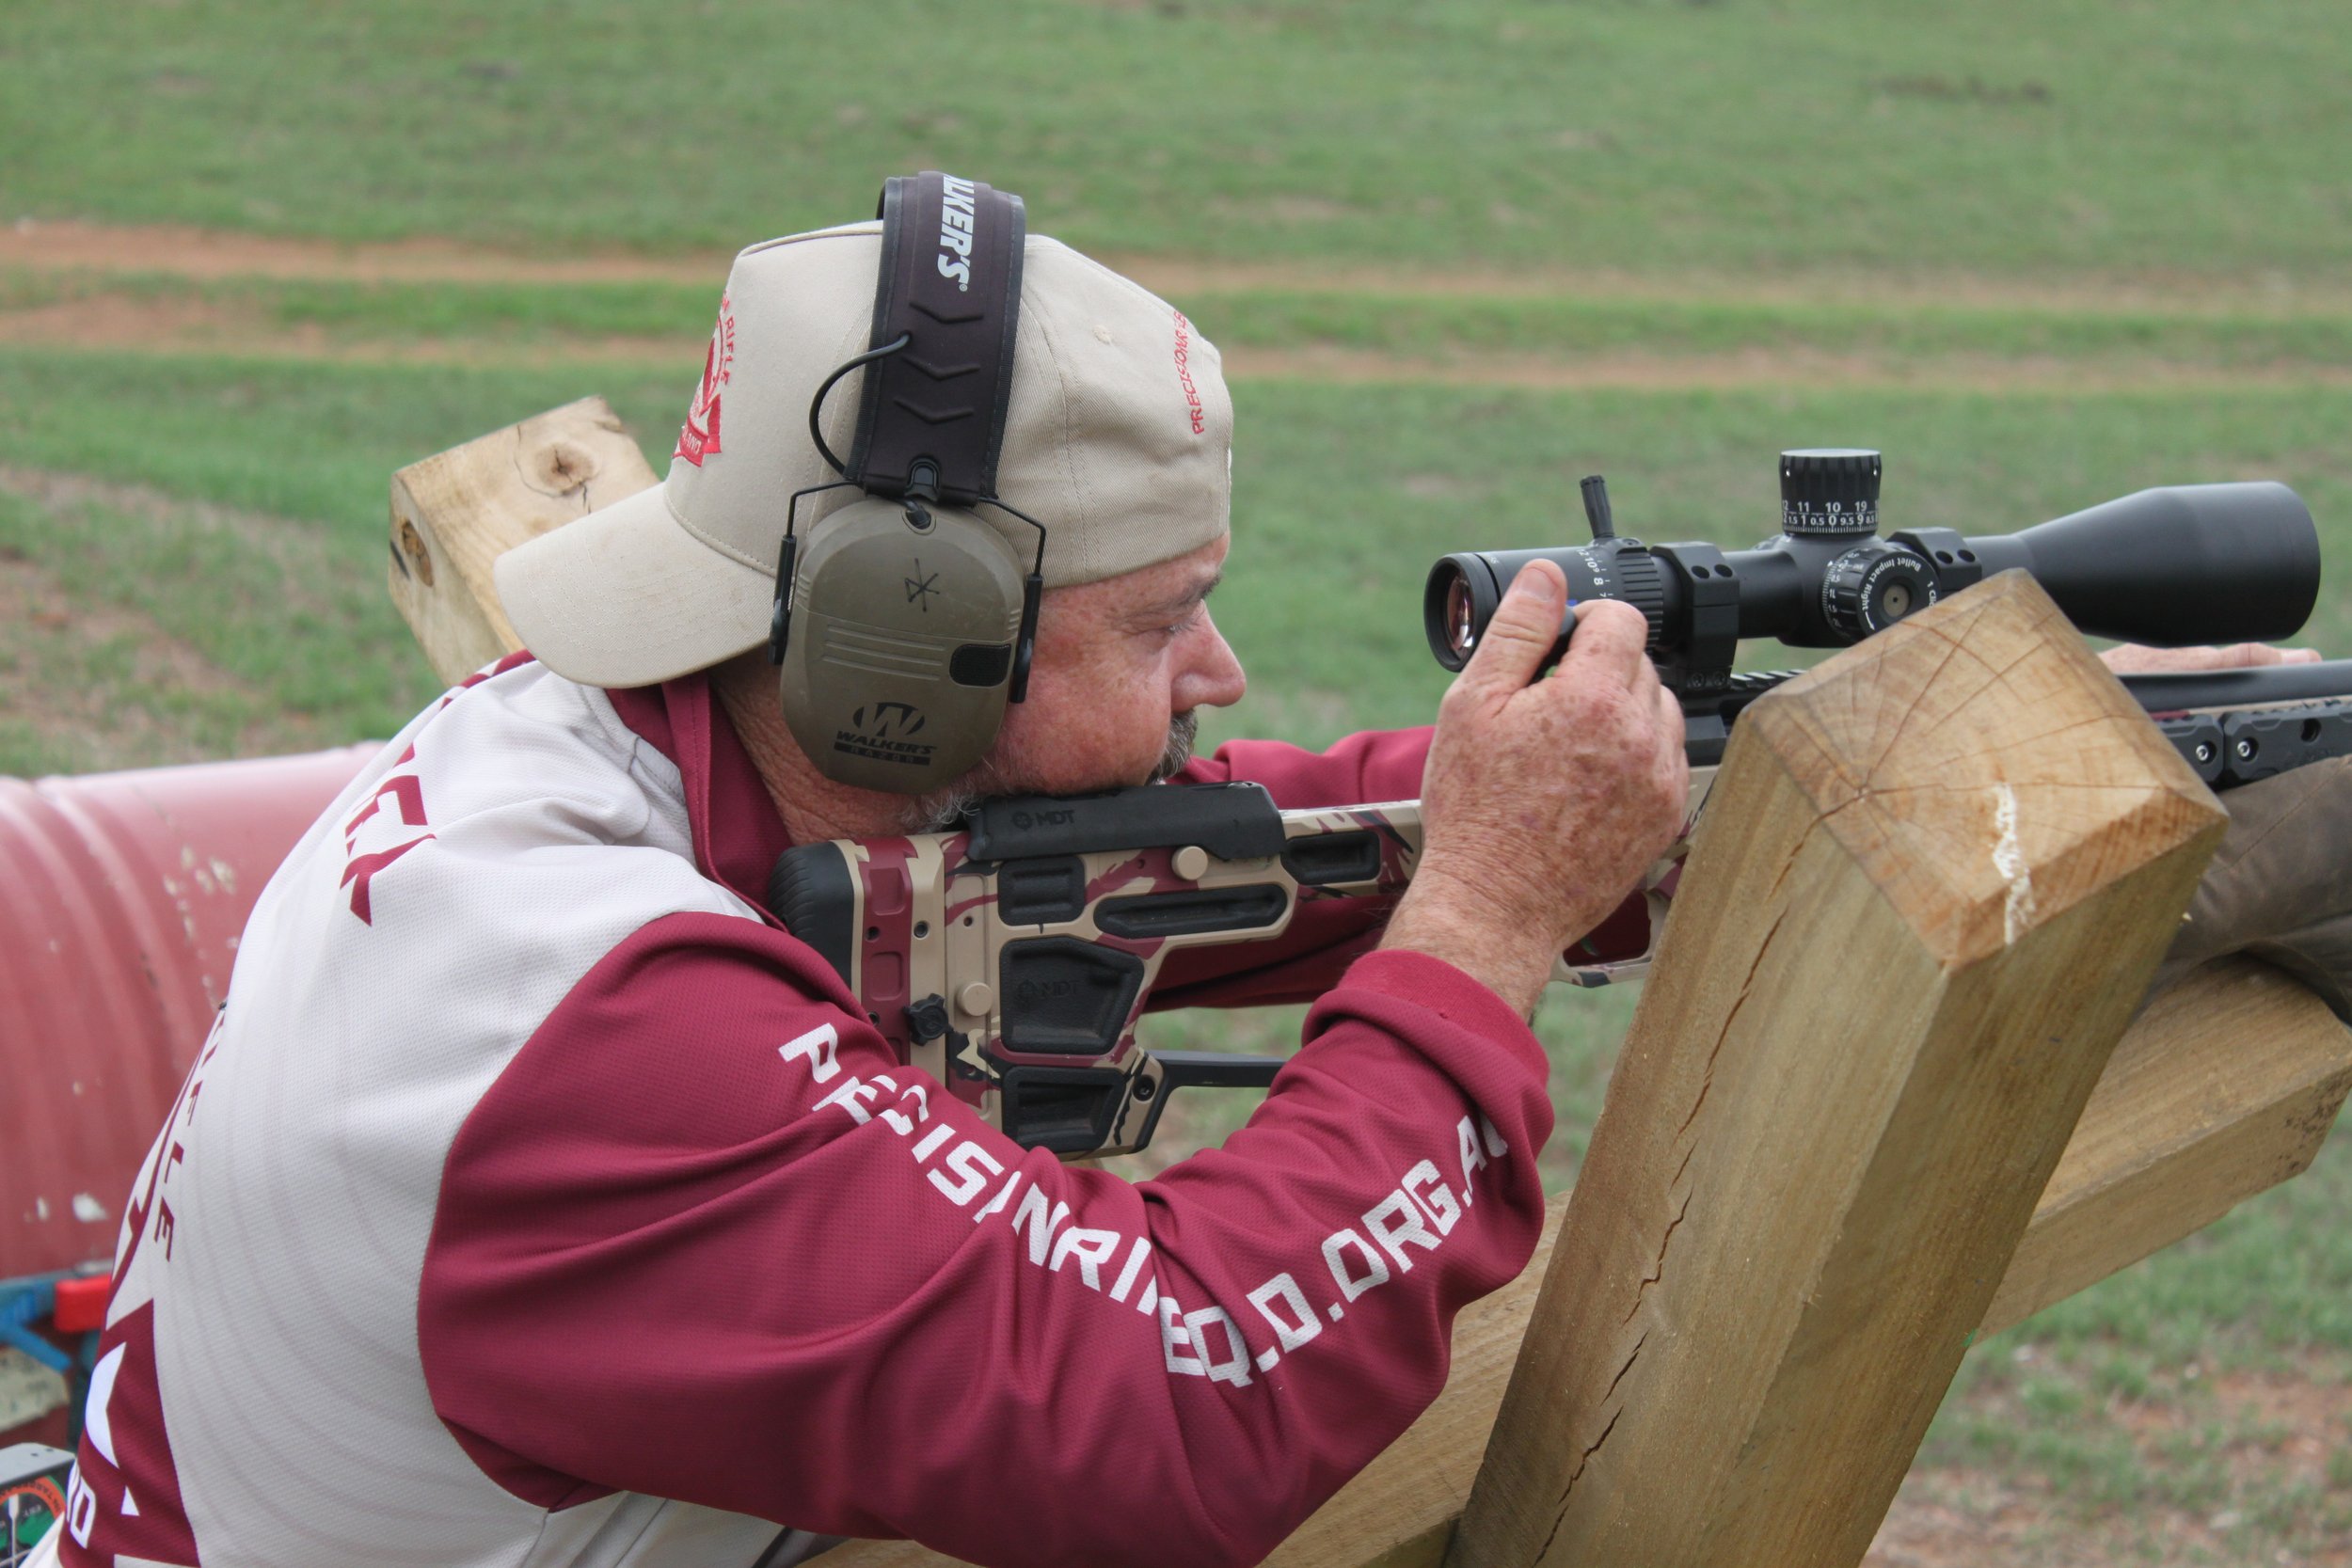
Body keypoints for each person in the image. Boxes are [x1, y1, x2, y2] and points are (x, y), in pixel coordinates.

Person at [40, 208, 2317, 1568]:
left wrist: (1620, 812)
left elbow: (1174, 865)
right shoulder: (572, 1024)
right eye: (1156, 625)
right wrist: (1487, 924)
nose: (1216, 671)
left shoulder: (606, 746)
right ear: (892, 643)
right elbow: (1177, 1396)